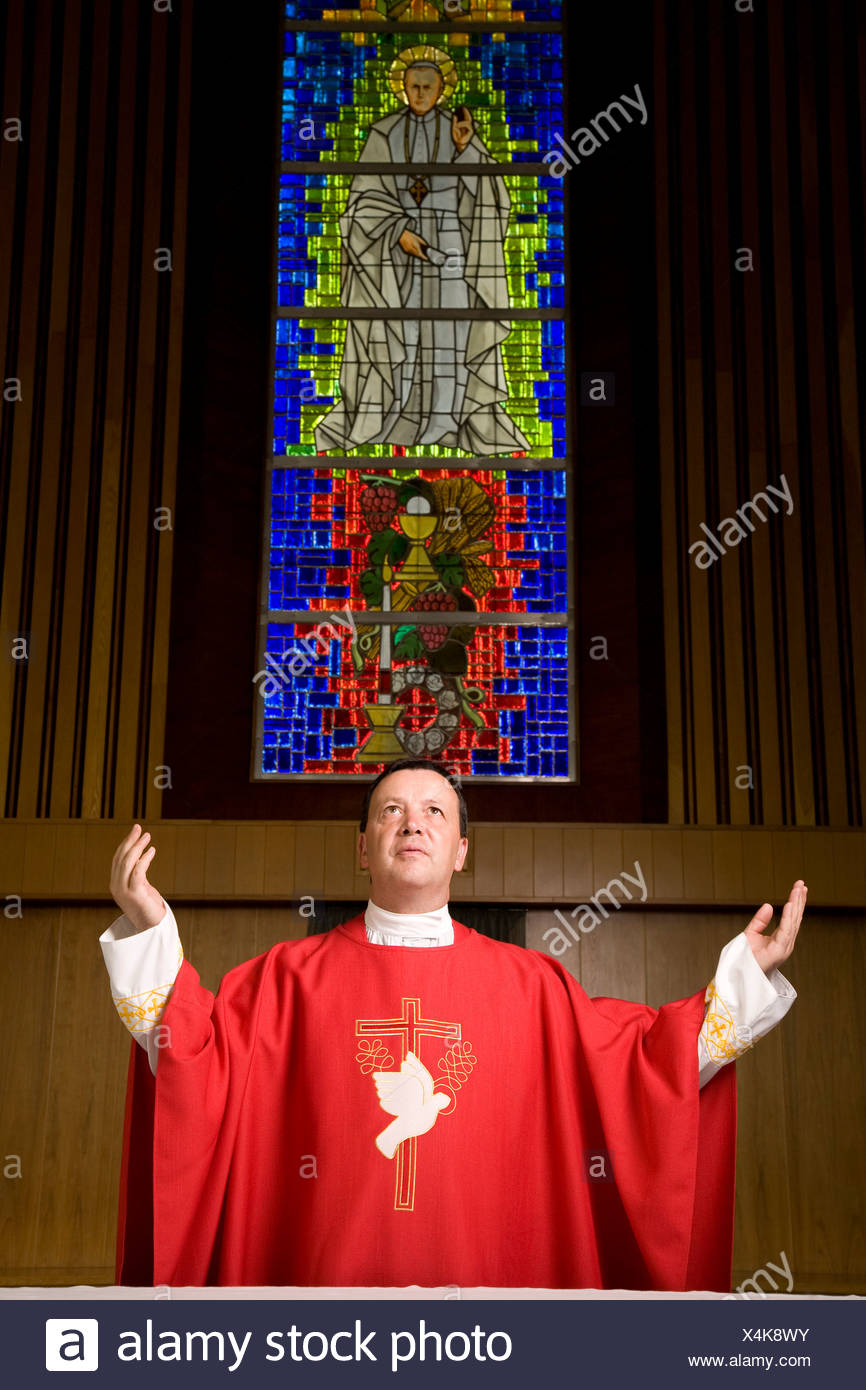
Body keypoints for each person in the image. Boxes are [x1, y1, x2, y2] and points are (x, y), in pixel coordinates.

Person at [103, 759, 805, 1290]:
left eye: (436, 812)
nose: (414, 824)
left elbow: (642, 1069)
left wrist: (746, 980)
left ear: (461, 850)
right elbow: (194, 1060)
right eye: (391, 812)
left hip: (490, 1310)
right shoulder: (283, 981)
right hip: (320, 1313)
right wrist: (151, 930)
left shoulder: (534, 987)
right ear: (361, 846)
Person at [313, 53, 530, 455]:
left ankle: (449, 421)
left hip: (450, 244)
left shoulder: (460, 132)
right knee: (404, 332)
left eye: (428, 87)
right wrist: (397, 231)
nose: (420, 94)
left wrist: (466, 149)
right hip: (396, 253)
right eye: (413, 86)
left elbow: (493, 200)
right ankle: (397, 420)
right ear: (402, 87)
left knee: (451, 333)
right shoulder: (382, 133)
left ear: (442, 89)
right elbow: (360, 202)